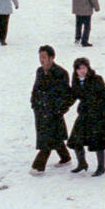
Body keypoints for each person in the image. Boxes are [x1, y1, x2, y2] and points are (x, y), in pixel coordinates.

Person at [29, 45, 74, 174]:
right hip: (40, 111)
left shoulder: (60, 73)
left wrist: (60, 110)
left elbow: (66, 95)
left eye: (44, 57)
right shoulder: (40, 71)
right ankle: (65, 158)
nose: (41, 60)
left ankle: (38, 166)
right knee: (54, 136)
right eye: (40, 57)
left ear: (52, 58)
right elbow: (35, 90)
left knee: (47, 140)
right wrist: (34, 104)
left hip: (54, 112)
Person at [66, 57, 105, 175]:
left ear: (88, 68)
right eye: (79, 69)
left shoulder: (96, 79)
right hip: (85, 114)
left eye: (84, 68)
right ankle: (82, 163)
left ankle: (101, 167)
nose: (82, 71)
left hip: (97, 114)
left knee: (98, 142)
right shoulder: (75, 81)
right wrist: (61, 108)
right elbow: (73, 96)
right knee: (76, 139)